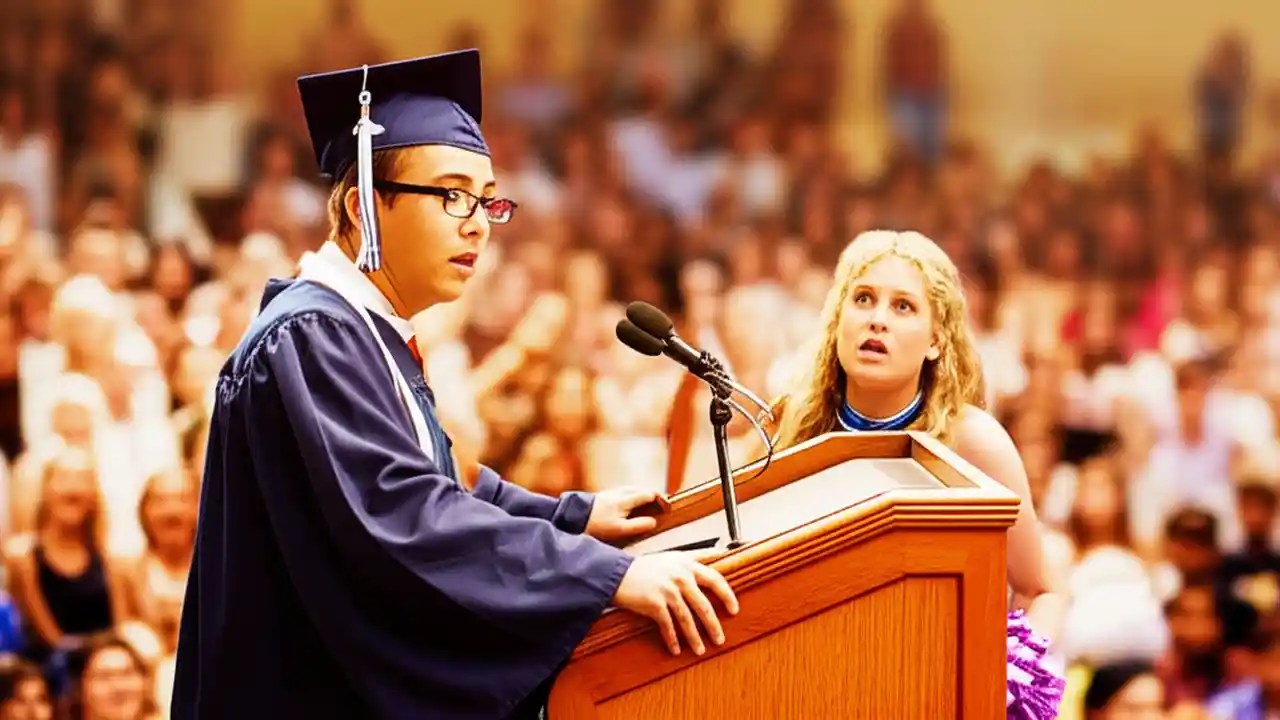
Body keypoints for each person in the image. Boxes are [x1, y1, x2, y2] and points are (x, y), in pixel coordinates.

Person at [171, 49, 738, 720]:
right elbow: (404, 515)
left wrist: (572, 517)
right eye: (450, 194)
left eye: (486, 199)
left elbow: (443, 481)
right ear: (363, 209)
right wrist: (606, 575)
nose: (477, 222)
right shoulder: (312, 336)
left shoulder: (363, 330)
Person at [765, 230, 1067, 719]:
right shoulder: (796, 429)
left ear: (935, 342)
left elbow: (1041, 590)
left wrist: (1003, 683)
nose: (877, 319)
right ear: (838, 320)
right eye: (863, 299)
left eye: (903, 306)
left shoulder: (974, 443)